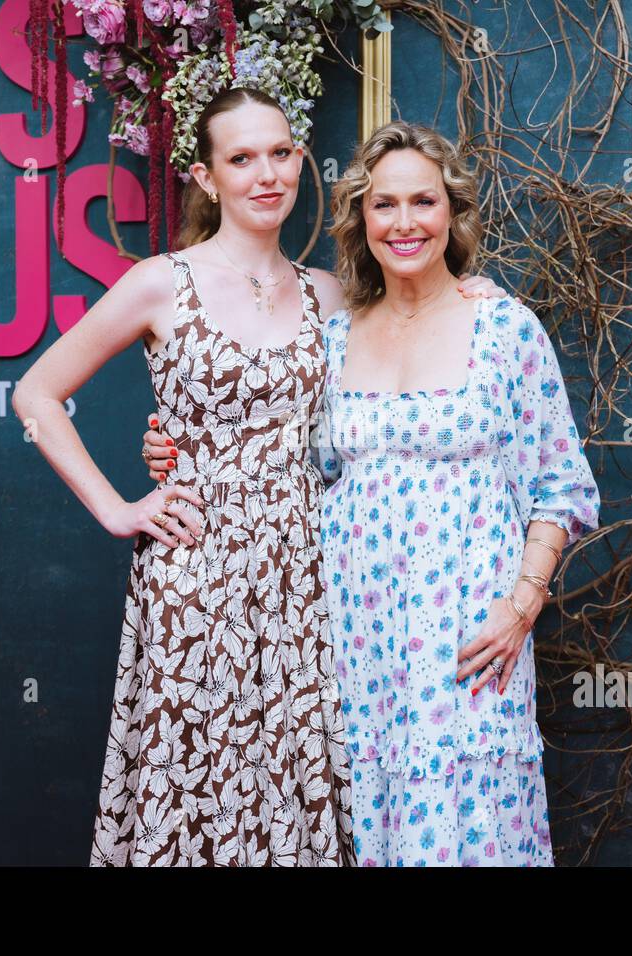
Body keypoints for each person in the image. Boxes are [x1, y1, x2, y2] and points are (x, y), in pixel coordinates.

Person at [13, 88, 499, 866]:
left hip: (307, 579)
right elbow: (36, 392)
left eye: (281, 153)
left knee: (293, 791)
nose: (266, 173)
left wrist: (466, 295)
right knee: (195, 795)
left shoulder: (333, 295)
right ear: (207, 178)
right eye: (241, 158)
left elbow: (407, 341)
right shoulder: (159, 283)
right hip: (194, 579)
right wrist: (116, 506)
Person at [143, 120, 600, 866]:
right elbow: (279, 455)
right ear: (362, 219)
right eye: (384, 205)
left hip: (466, 634)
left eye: (423, 201)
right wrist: (171, 447)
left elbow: (559, 485)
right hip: (350, 635)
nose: (405, 222)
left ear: (451, 213)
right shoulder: (335, 335)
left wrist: (522, 604)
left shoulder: (505, 328)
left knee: (467, 828)